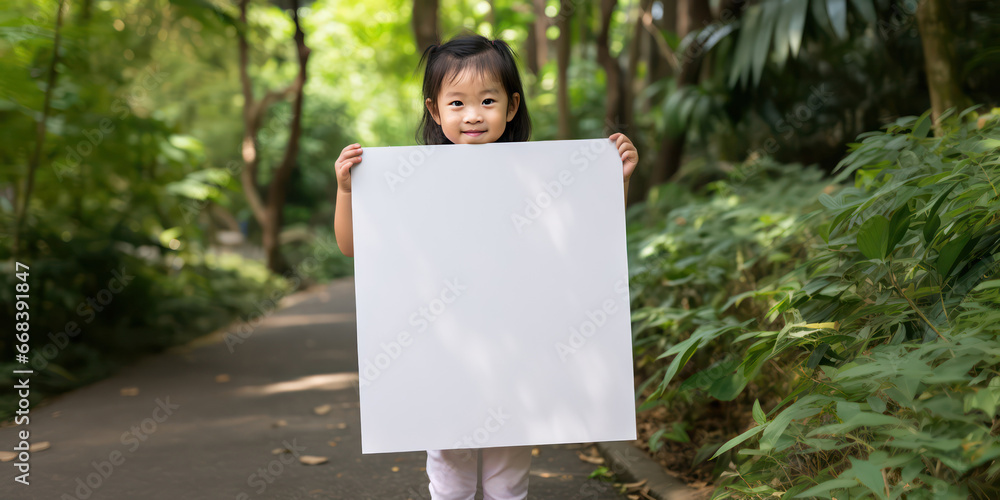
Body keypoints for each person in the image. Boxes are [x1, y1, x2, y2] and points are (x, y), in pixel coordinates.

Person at [332, 32, 638, 500]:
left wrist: (608, 181)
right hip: (441, 353)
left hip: (516, 351)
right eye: (456, 103)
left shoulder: (538, 175)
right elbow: (355, 248)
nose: (472, 114)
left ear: (512, 106)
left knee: (508, 474)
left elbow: (584, 245)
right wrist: (349, 192)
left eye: (488, 100)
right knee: (449, 471)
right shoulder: (410, 184)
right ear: (435, 110)